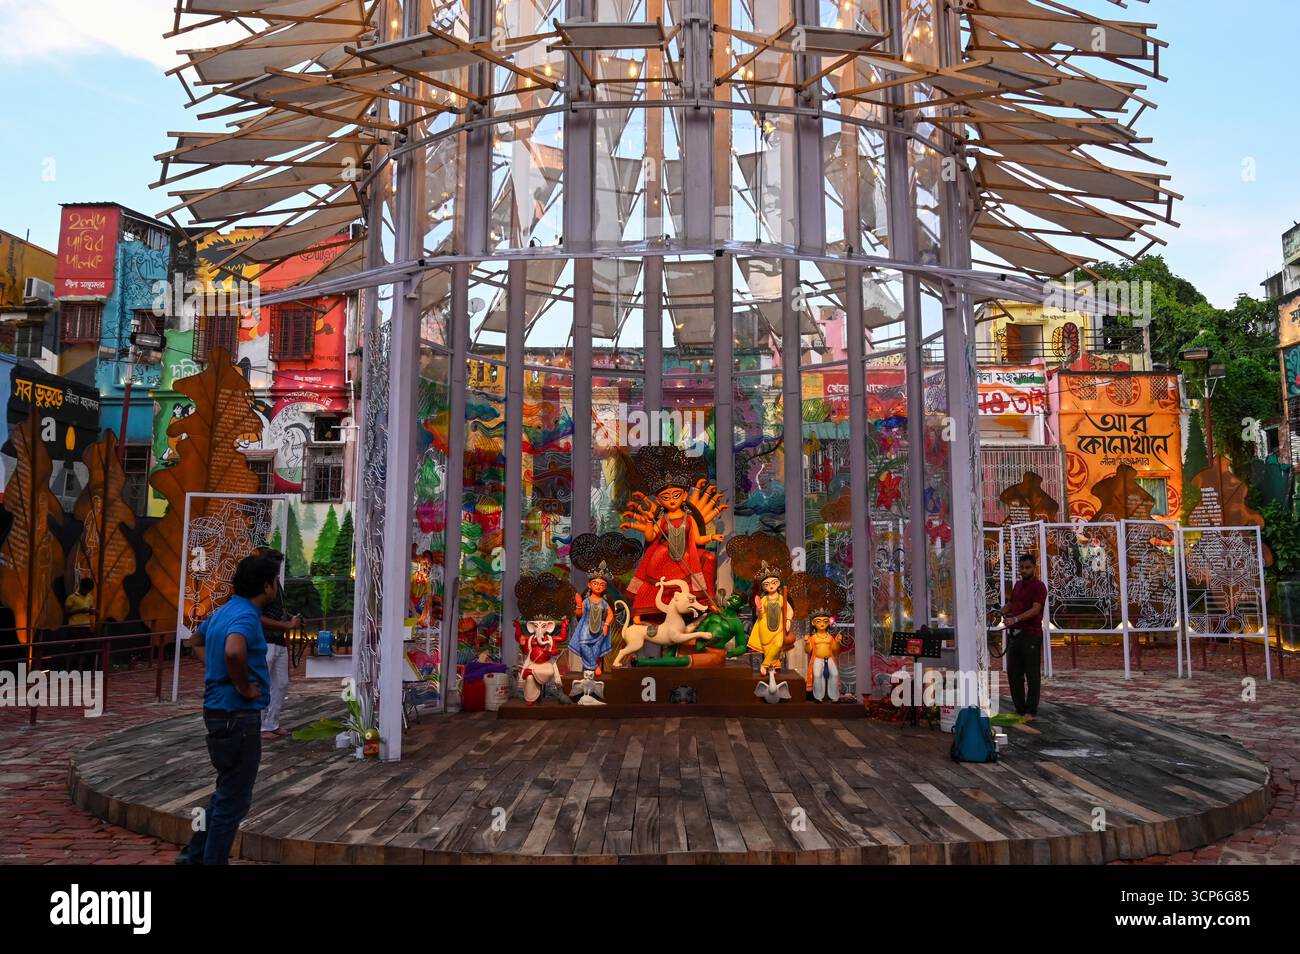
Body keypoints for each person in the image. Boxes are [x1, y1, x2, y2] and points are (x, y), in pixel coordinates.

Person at [177, 553, 281, 865]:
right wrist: (243, 685)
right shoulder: (246, 616)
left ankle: (194, 855)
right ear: (266, 585)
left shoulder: (223, 611)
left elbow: (194, 640)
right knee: (234, 800)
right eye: (275, 581)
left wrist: (214, 667)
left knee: (224, 791)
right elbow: (235, 651)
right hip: (238, 716)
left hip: (217, 712)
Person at [252, 547, 301, 740]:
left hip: (278, 640)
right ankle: (260, 725)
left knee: (281, 683)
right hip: (265, 640)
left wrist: (290, 619)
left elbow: (275, 611)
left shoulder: (275, 584)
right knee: (264, 682)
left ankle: (271, 722)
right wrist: (287, 624)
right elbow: (259, 616)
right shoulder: (259, 586)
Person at [1001, 553, 1047, 721]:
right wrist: (1000, 611)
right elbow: (1012, 604)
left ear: (1034, 568)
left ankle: (1030, 711)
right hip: (1014, 635)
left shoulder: (1039, 586)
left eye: (1027, 567)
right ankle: (1019, 709)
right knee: (1014, 674)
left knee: (1032, 674)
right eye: (1021, 567)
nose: (1024, 571)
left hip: (1031, 634)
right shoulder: (1018, 585)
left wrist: (1016, 618)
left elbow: (1036, 609)